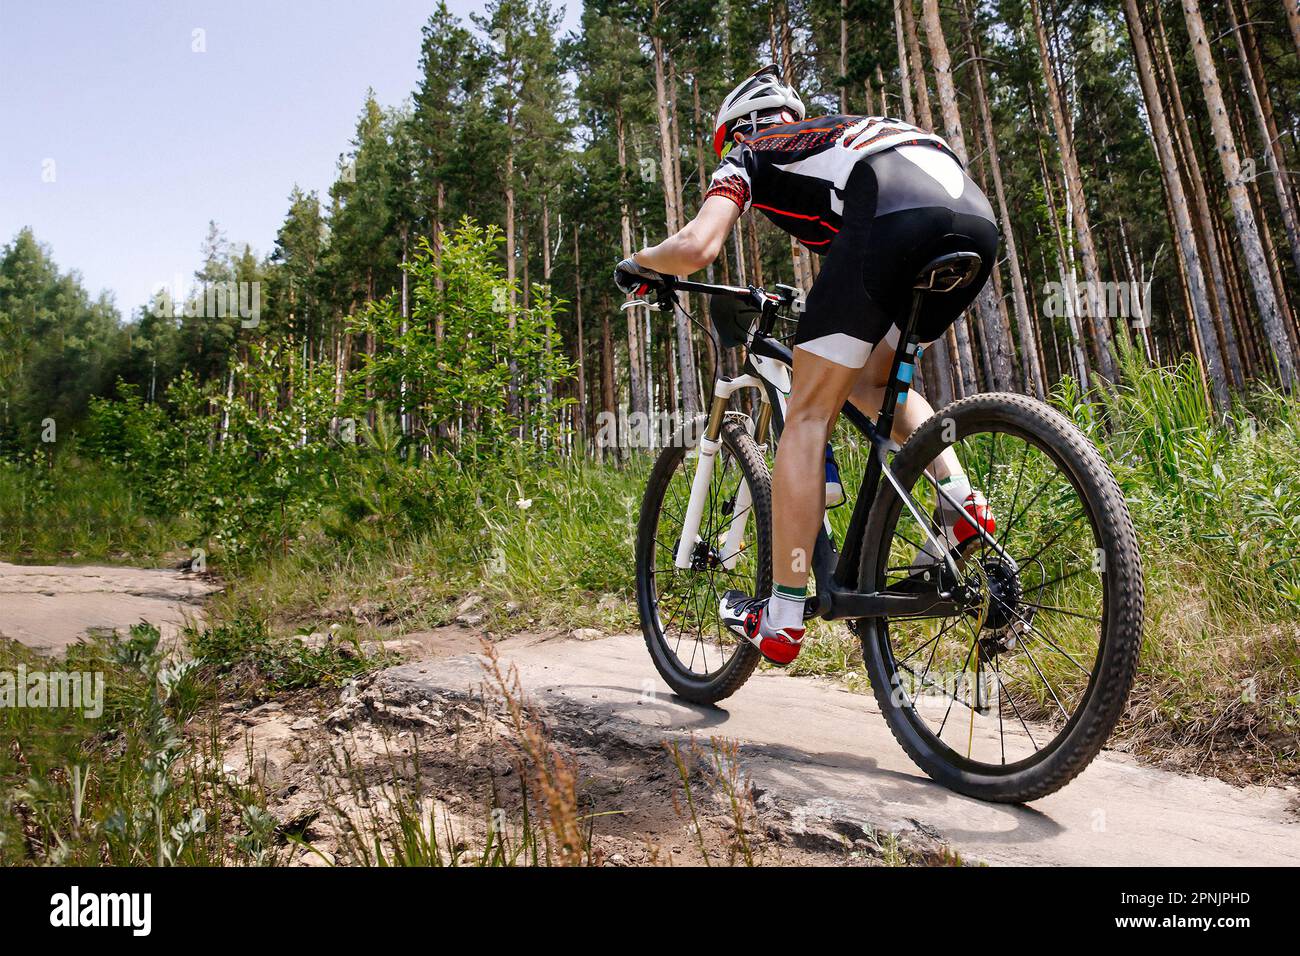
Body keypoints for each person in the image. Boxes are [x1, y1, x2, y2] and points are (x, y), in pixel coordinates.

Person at [614, 65, 999, 666]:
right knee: (875, 381)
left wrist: (641, 263)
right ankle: (961, 503)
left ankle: (783, 615)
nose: (728, 153)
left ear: (740, 126)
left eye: (724, 143)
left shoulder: (751, 150)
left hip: (889, 212)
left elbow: (698, 246)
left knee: (808, 414)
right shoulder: (837, 135)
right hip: (971, 215)